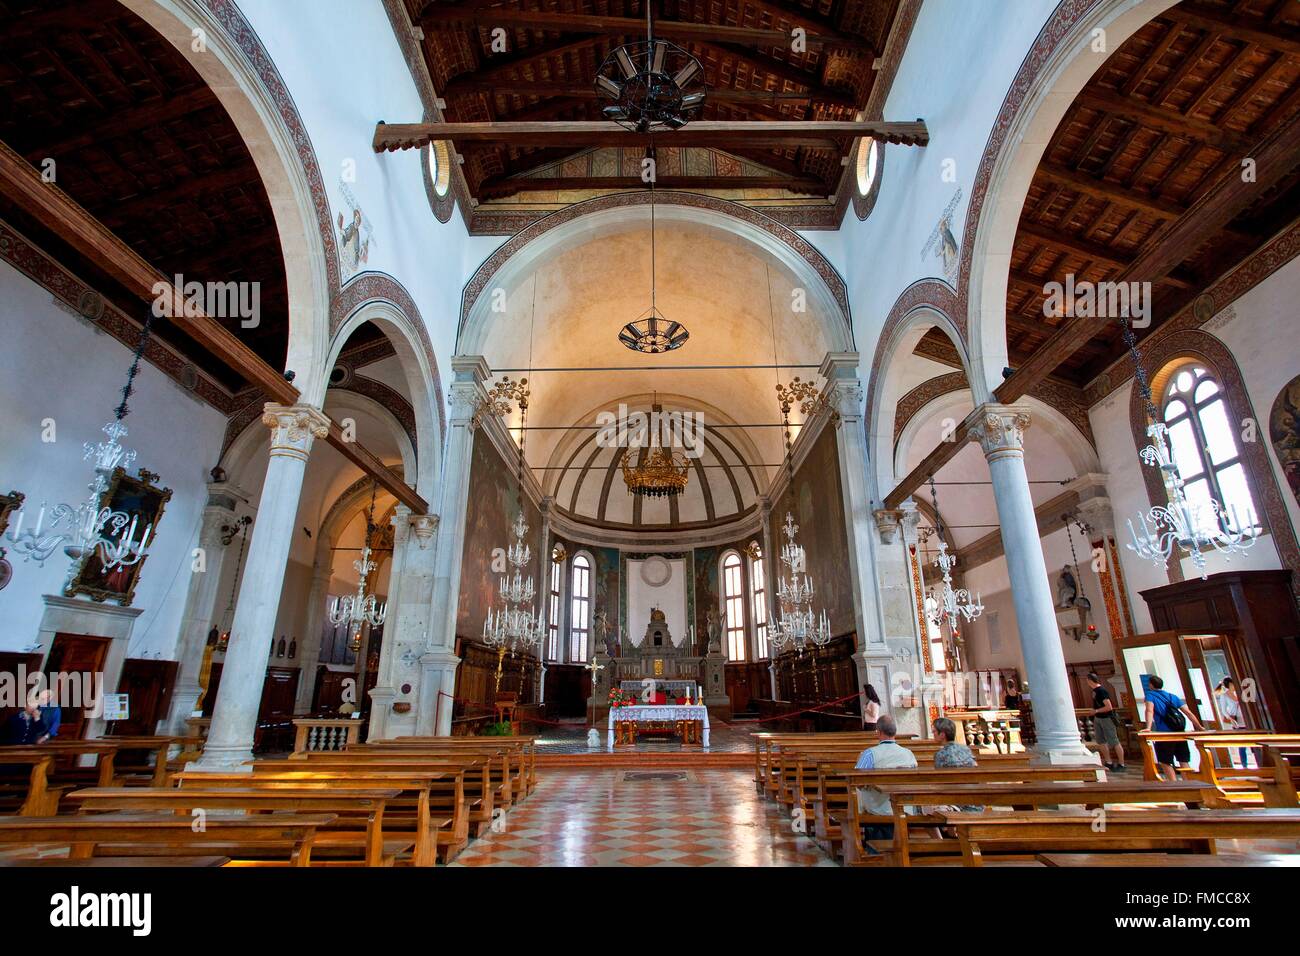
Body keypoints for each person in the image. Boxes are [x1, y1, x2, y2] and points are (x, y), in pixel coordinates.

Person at [853, 714, 917, 849]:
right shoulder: (908, 754)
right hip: (903, 806)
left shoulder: (869, 754)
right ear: (895, 732)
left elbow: (857, 781)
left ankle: (872, 849)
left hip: (878, 808)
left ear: (878, 732)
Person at [1143, 675, 1202, 781]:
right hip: (1179, 733)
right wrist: (1199, 726)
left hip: (1164, 734)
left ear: (1151, 685)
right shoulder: (1172, 696)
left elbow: (1149, 710)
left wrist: (1148, 727)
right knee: (1183, 760)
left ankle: (1173, 784)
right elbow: (1188, 712)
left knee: (1165, 761)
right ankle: (1189, 785)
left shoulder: (1150, 695)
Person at [1087, 672, 1125, 771]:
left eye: (1088, 680)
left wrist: (1096, 711)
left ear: (1090, 680)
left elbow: (1109, 707)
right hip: (1098, 718)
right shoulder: (1094, 691)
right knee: (1100, 741)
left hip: (1106, 718)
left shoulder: (1101, 691)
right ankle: (1108, 762)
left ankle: (1122, 764)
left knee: (1114, 741)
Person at [1215, 677, 1248, 767]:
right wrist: (1230, 719)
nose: (1233, 686)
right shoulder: (1224, 695)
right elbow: (1224, 710)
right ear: (1228, 685)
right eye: (1231, 684)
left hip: (1247, 719)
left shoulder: (1240, 693)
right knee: (1242, 744)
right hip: (1237, 721)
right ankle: (1244, 765)